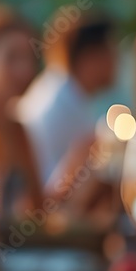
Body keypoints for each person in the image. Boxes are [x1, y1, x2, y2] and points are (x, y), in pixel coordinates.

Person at [16, 11, 118, 191]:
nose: (117, 60)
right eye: (110, 52)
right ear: (90, 57)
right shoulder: (63, 105)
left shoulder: (61, 90)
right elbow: (52, 188)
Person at [0, 9, 42, 217]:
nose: (25, 70)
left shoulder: (17, 128)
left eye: (30, 59)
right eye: (12, 57)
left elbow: (38, 210)